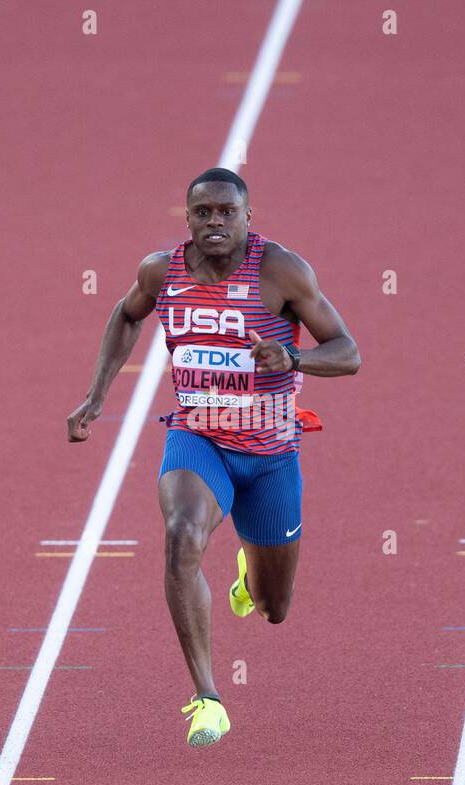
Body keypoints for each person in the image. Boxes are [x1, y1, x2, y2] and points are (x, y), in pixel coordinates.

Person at [68, 168, 360, 745]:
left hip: (271, 452)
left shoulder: (281, 271)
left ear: (249, 217)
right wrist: (97, 395)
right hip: (198, 437)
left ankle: (252, 578)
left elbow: (347, 352)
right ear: (188, 219)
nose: (215, 223)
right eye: (203, 213)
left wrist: (293, 361)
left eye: (227, 212)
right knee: (181, 534)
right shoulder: (162, 272)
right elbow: (127, 315)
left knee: (276, 608)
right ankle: (207, 696)